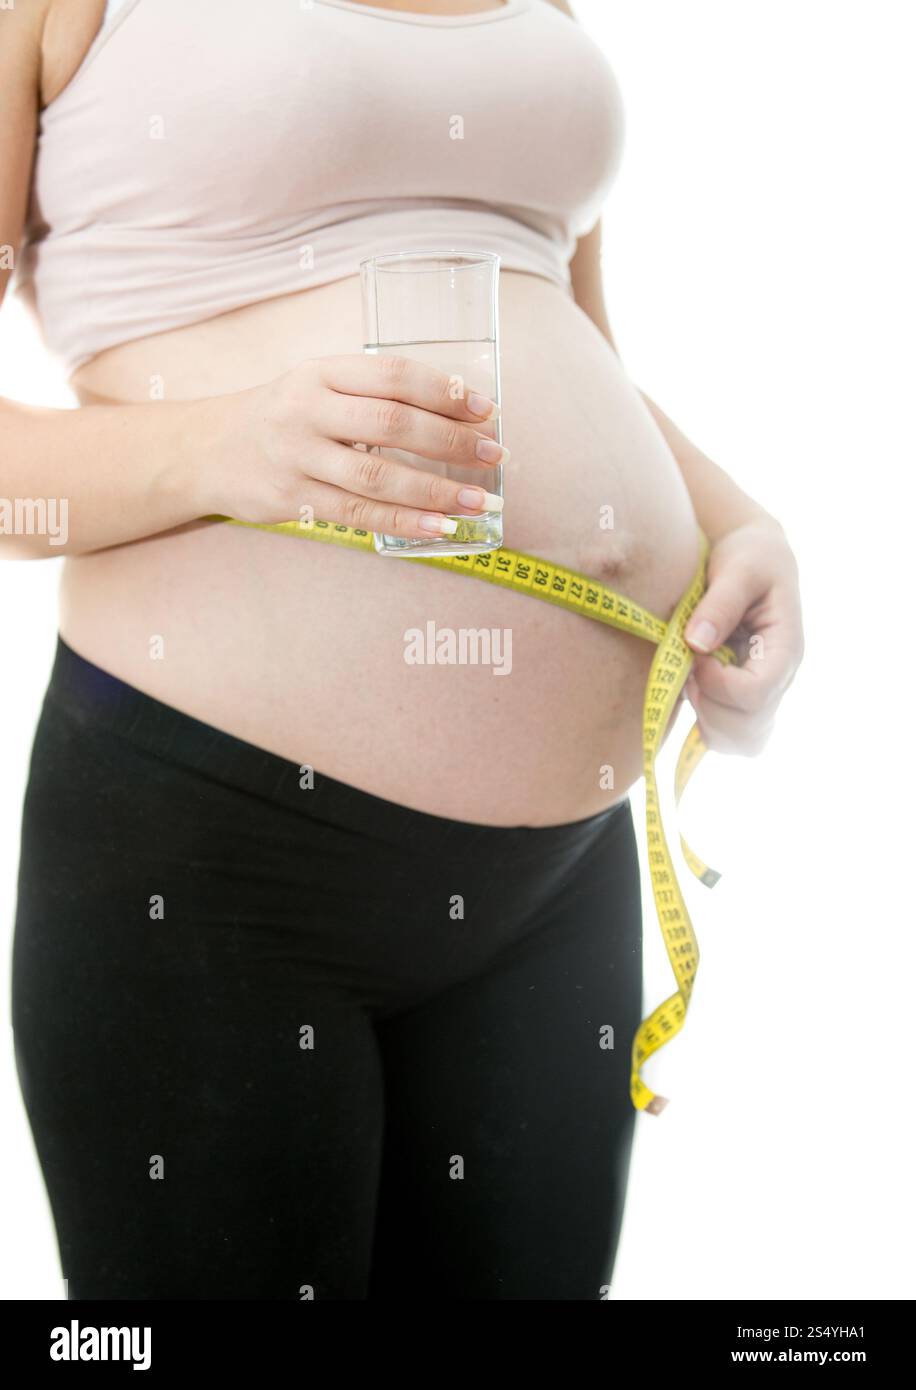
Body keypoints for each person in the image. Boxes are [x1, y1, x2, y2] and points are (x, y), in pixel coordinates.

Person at [1, 0, 803, 1300]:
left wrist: (732, 523)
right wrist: (213, 445)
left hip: (559, 889)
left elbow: (561, 326)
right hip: (219, 864)